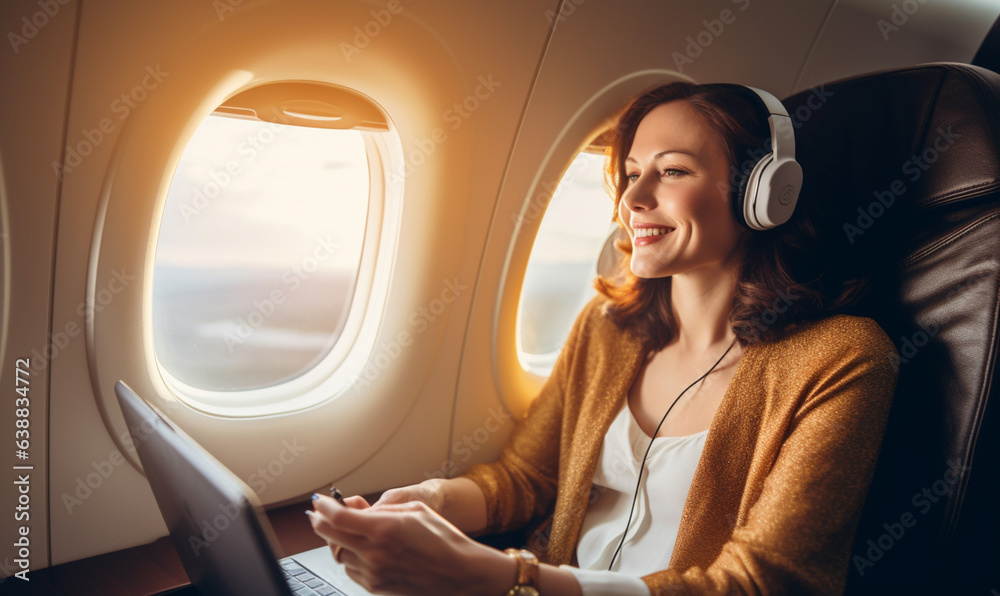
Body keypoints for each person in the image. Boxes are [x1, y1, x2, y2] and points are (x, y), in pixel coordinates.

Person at [307, 81, 898, 595]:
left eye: (671, 171)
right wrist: (430, 501)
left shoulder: (842, 360)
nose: (633, 201)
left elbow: (764, 585)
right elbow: (527, 479)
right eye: (632, 174)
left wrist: (500, 581)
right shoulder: (607, 328)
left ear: (763, 193)